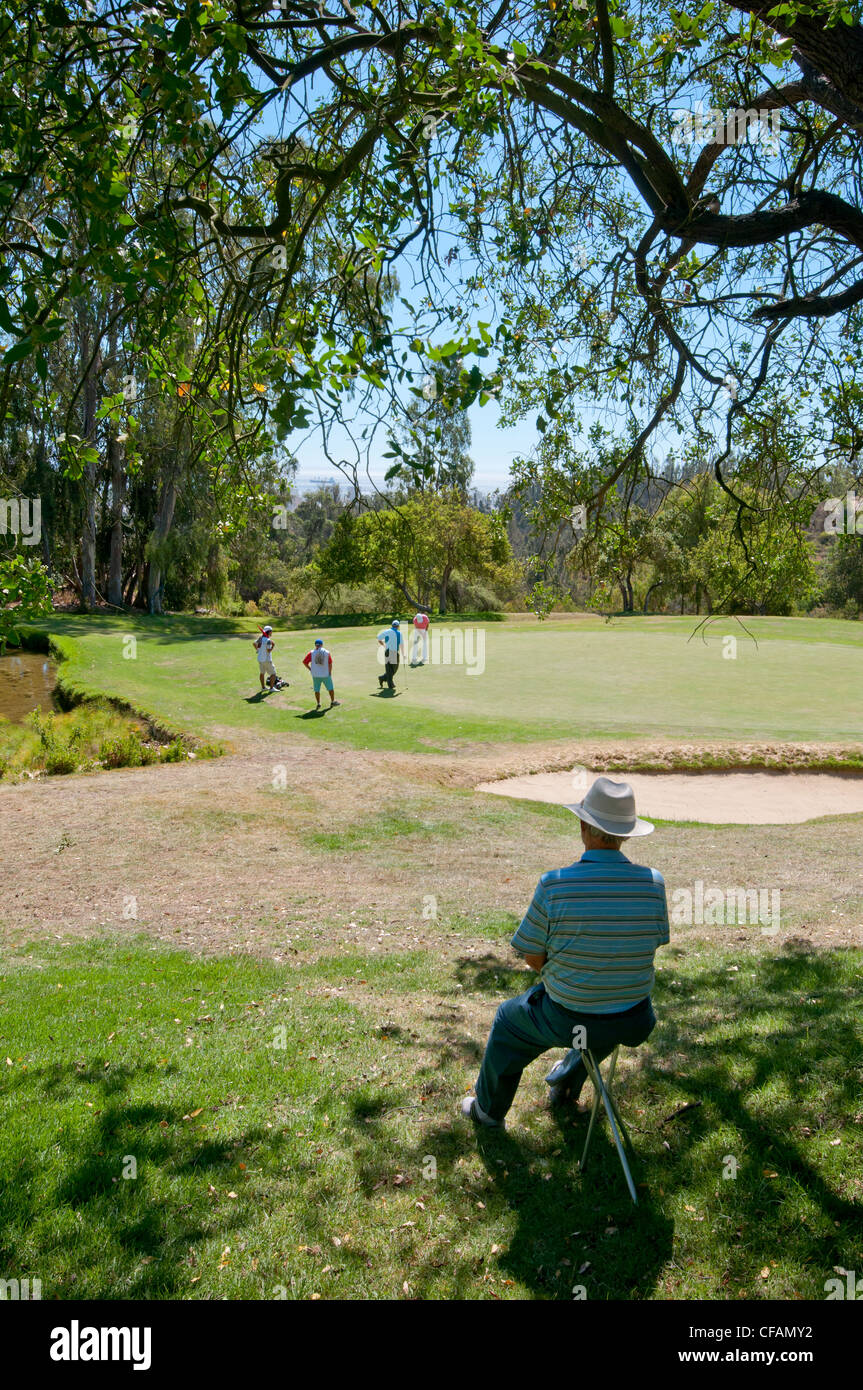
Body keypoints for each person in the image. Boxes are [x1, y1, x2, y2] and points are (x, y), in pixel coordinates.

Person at [460, 776, 670, 1129]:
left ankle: (488, 1112)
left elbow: (533, 956)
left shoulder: (554, 883)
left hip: (569, 1017)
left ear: (584, 826)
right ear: (625, 834)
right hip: (635, 1019)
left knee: (508, 1021)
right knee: (604, 1018)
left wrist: (562, 975)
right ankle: (568, 1080)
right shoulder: (654, 883)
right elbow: (653, 943)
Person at [302, 638, 340, 710]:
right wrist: (330, 672)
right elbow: (330, 663)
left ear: (315, 645)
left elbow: (304, 662)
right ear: (322, 645)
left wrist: (310, 669)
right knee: (330, 688)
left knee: (317, 690)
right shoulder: (327, 652)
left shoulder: (311, 653)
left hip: (315, 675)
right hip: (325, 674)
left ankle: (318, 703)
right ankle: (332, 701)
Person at [377, 619, 402, 690]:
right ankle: (390, 684)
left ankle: (382, 678)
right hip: (393, 652)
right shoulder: (399, 633)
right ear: (398, 626)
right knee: (393, 668)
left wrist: (383, 645)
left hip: (387, 652)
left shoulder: (387, 631)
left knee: (389, 668)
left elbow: (379, 638)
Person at [254, 625, 277, 691]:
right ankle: (271, 688)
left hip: (260, 659)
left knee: (262, 673)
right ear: (269, 632)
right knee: (273, 674)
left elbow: (254, 643)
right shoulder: (268, 640)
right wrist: (273, 646)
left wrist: (258, 650)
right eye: (271, 631)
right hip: (267, 660)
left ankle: (263, 687)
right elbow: (268, 650)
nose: (272, 633)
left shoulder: (260, 638)